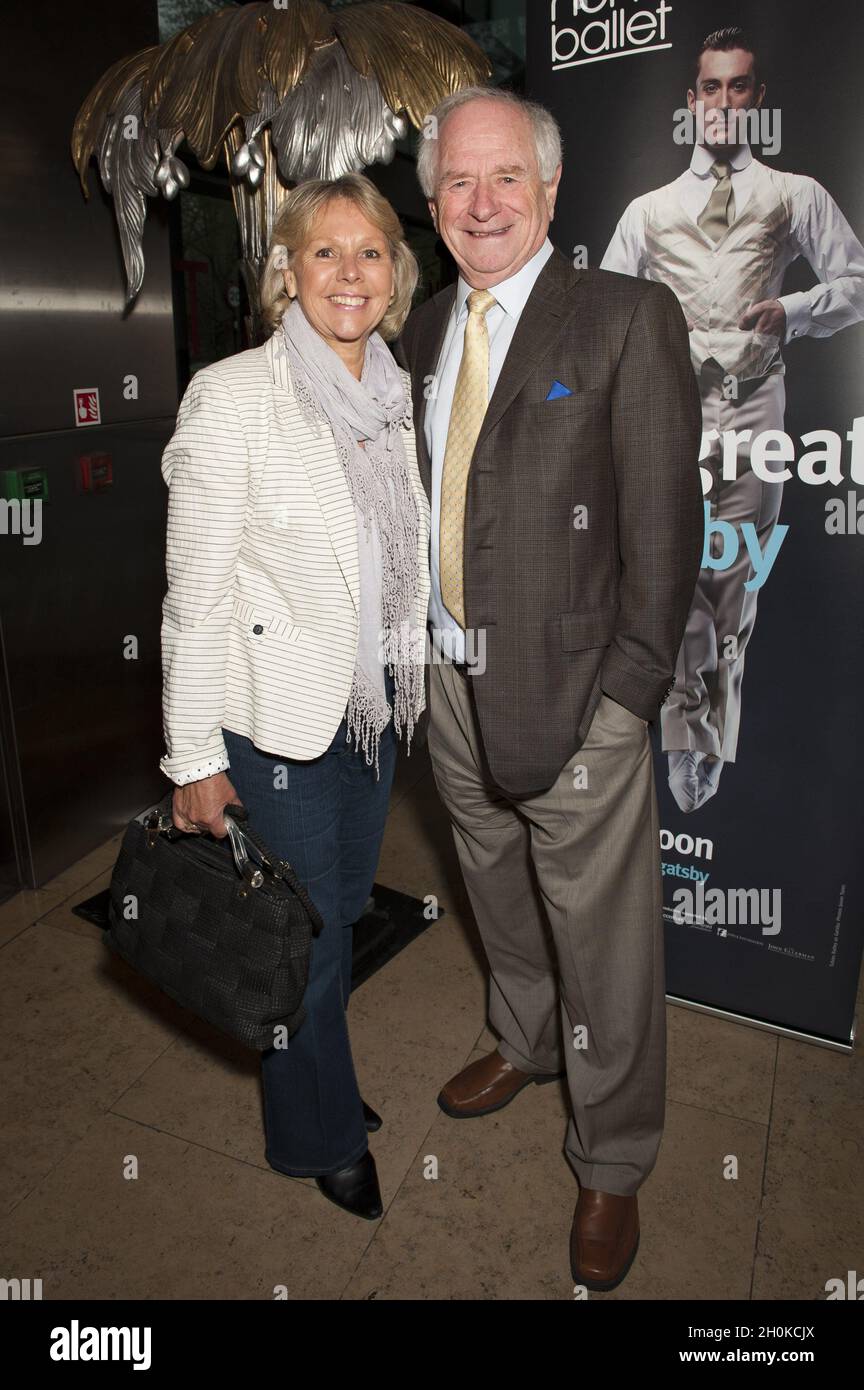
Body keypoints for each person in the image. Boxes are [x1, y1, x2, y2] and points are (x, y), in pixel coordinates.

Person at [395, 85, 703, 1291]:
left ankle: (614, 1158)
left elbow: (666, 534)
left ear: (552, 192)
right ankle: (524, 1038)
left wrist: (626, 701)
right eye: (458, 183)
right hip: (450, 681)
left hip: (582, 697)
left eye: (506, 178)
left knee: (606, 937)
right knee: (493, 882)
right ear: (432, 205)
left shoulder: (626, 316)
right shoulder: (420, 329)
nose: (482, 203)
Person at [158, 173, 430, 1221]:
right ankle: (313, 1136)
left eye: (370, 252)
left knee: (346, 915)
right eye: (325, 252)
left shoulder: (391, 392)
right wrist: (194, 759)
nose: (349, 273)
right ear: (287, 273)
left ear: (396, 274)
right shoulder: (233, 396)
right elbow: (195, 594)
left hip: (367, 716)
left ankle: (319, 1079)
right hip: (275, 724)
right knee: (302, 947)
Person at [602, 25, 864, 812]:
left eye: (738, 86)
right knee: (673, 585)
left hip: (755, 410)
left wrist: (793, 308)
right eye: (710, 87)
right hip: (671, 417)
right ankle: (688, 736)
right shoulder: (647, 212)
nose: (723, 101)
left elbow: (854, 282)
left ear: (757, 99)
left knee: (734, 588)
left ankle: (709, 742)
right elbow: (607, 313)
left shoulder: (796, 195)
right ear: (691, 102)